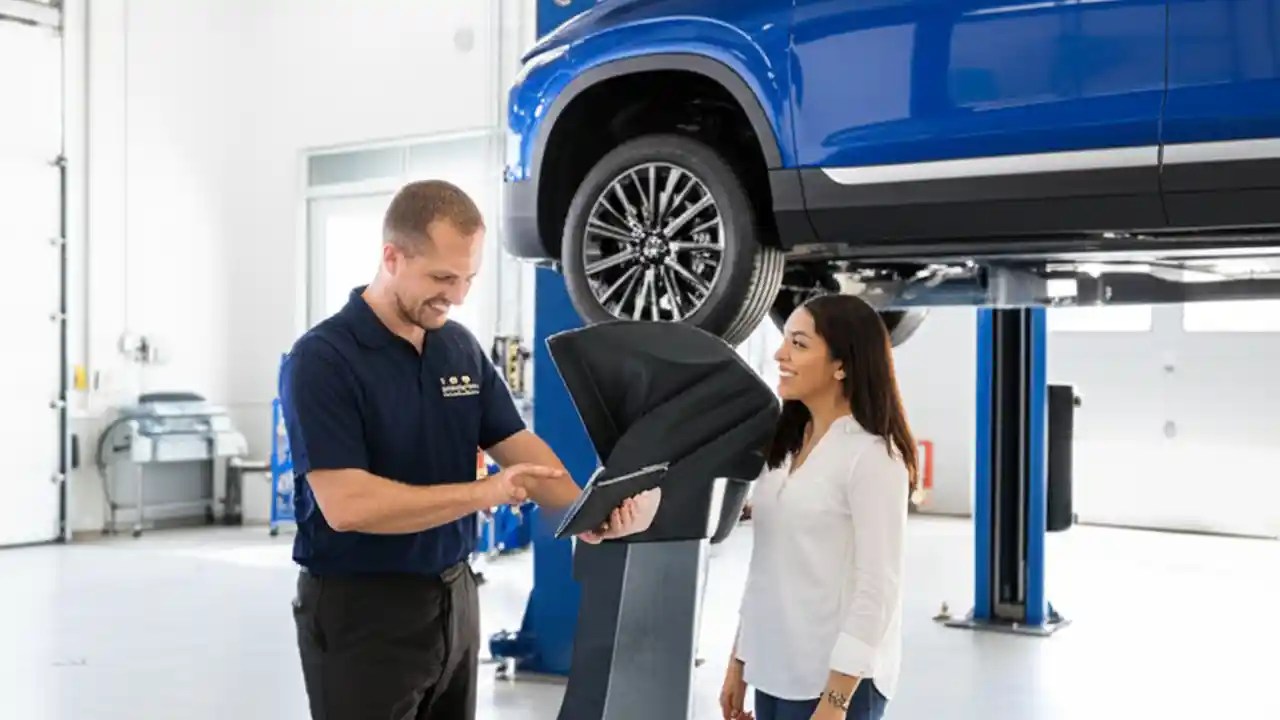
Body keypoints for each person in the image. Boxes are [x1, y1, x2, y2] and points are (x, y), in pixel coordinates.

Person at [280, 179, 660, 720]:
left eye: (468, 279)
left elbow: (518, 447)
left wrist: (586, 513)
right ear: (391, 257)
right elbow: (347, 505)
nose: (457, 296)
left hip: (455, 596)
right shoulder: (323, 359)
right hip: (361, 611)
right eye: (442, 278)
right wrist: (483, 493)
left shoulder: (457, 346)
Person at [720, 294, 918, 720]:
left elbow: (878, 588)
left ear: (841, 365)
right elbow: (765, 569)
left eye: (799, 344)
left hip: (834, 681)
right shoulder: (786, 447)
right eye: (784, 340)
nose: (780, 354)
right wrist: (739, 661)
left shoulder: (873, 458)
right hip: (773, 668)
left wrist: (835, 702)